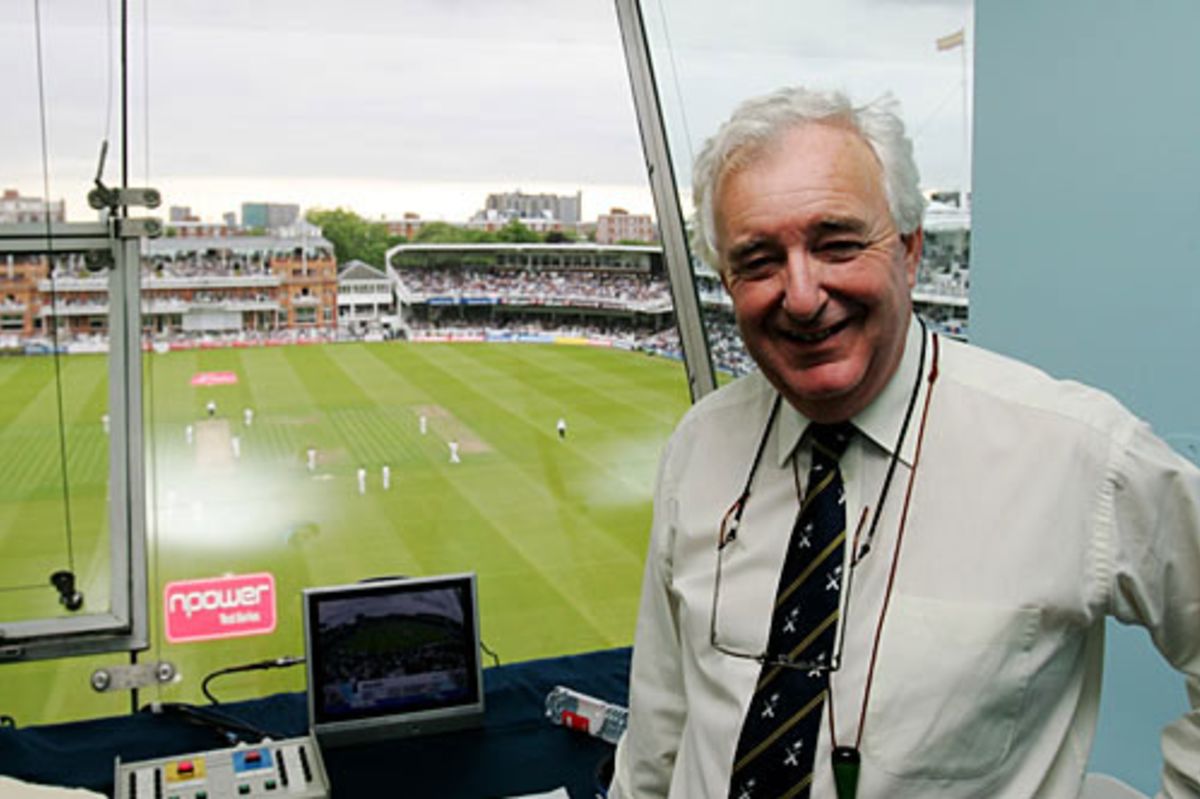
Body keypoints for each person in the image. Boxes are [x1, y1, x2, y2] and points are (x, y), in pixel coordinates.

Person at [610, 86, 1200, 799]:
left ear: (911, 250)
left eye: (837, 243)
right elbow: (659, 729)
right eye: (758, 260)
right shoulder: (700, 445)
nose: (801, 294)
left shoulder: (1075, 452)